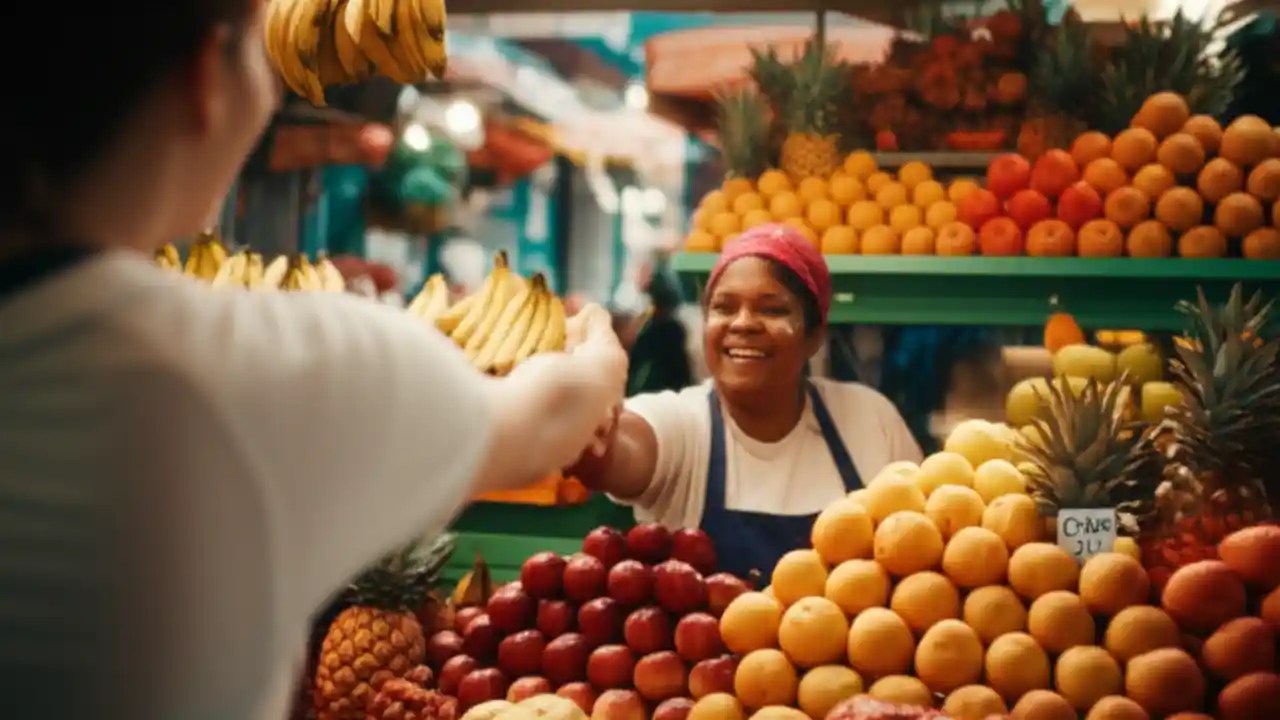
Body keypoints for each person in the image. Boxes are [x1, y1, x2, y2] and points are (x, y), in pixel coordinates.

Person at [0, 3, 625, 718]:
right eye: (259, 58)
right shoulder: (256, 368)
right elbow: (549, 418)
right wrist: (599, 344)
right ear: (206, 76)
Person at [571, 223, 922, 580]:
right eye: (723, 308)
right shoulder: (684, 424)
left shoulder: (869, 419)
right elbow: (621, 450)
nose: (743, 324)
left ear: (814, 335)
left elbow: (925, 544)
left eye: (771, 310)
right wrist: (588, 428)